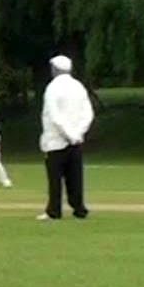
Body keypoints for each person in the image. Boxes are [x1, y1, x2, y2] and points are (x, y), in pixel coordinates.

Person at [38, 55, 94, 221]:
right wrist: (78, 134)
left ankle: (54, 211)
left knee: (55, 179)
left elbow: (54, 116)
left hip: (56, 140)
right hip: (76, 140)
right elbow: (88, 113)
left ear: (54, 69)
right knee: (75, 177)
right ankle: (79, 209)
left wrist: (68, 134)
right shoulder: (79, 87)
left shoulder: (52, 88)